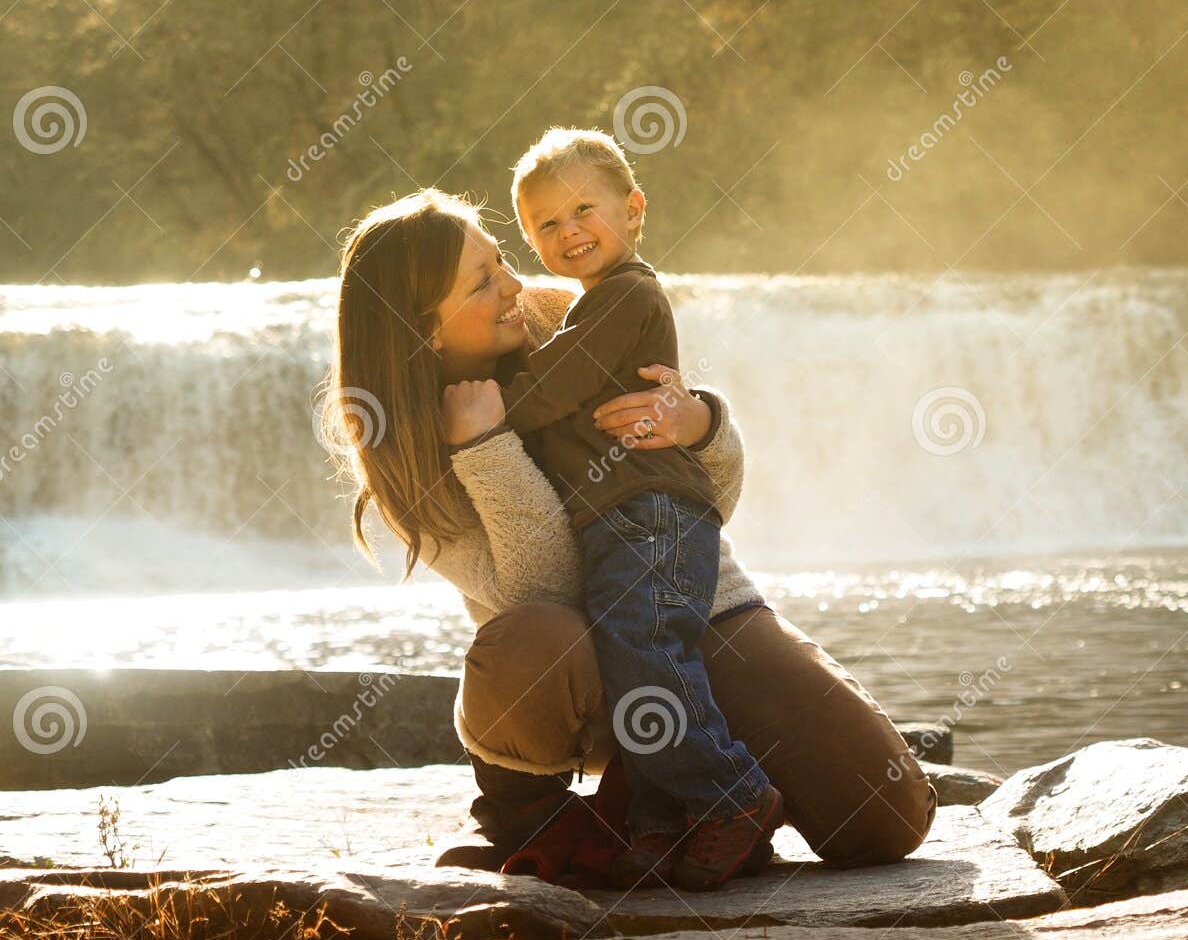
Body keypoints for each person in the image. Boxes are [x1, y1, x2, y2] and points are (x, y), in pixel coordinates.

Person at [324, 187, 936, 889]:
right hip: (574, 674)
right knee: (526, 638)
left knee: (887, 818)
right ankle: (531, 813)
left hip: (699, 611)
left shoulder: (564, 320)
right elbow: (546, 588)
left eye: (500, 261)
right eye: (483, 281)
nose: (515, 284)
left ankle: (701, 793)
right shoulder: (406, 456)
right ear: (424, 331)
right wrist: (485, 447)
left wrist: (699, 425)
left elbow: (709, 502)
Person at [498, 127, 778, 892]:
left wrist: (489, 406)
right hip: (623, 519)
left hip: (651, 510)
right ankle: (664, 822)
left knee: (647, 653)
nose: (569, 231)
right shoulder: (597, 302)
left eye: (584, 208)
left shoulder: (626, 295)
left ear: (635, 208)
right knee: (633, 667)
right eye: (545, 225)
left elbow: (560, 382)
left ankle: (734, 796)